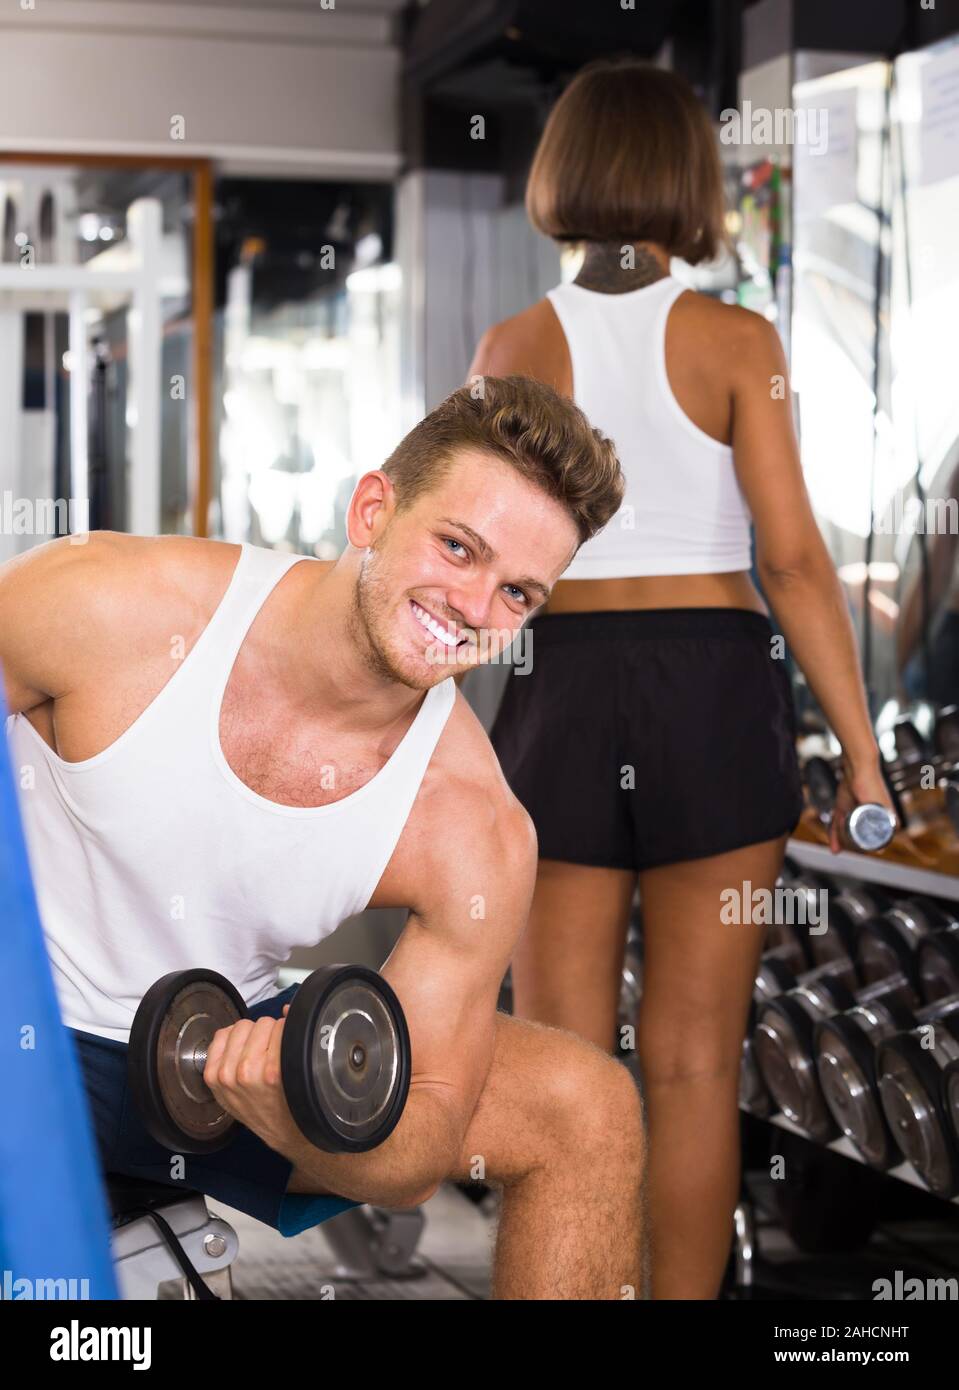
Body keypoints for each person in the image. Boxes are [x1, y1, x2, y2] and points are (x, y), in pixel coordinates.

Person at [0, 375, 645, 1300]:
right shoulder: (108, 602)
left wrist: (295, 1116)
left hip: (209, 1067)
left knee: (586, 1108)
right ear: (372, 509)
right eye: (458, 548)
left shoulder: (472, 824)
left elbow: (419, 1141)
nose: (471, 607)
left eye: (517, 594)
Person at [468, 59, 895, 1299]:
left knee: (553, 1055)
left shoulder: (512, 345)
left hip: (558, 686)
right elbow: (797, 559)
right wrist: (862, 756)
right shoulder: (736, 342)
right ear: (686, 181)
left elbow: (473, 569)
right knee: (696, 1062)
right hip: (714, 686)